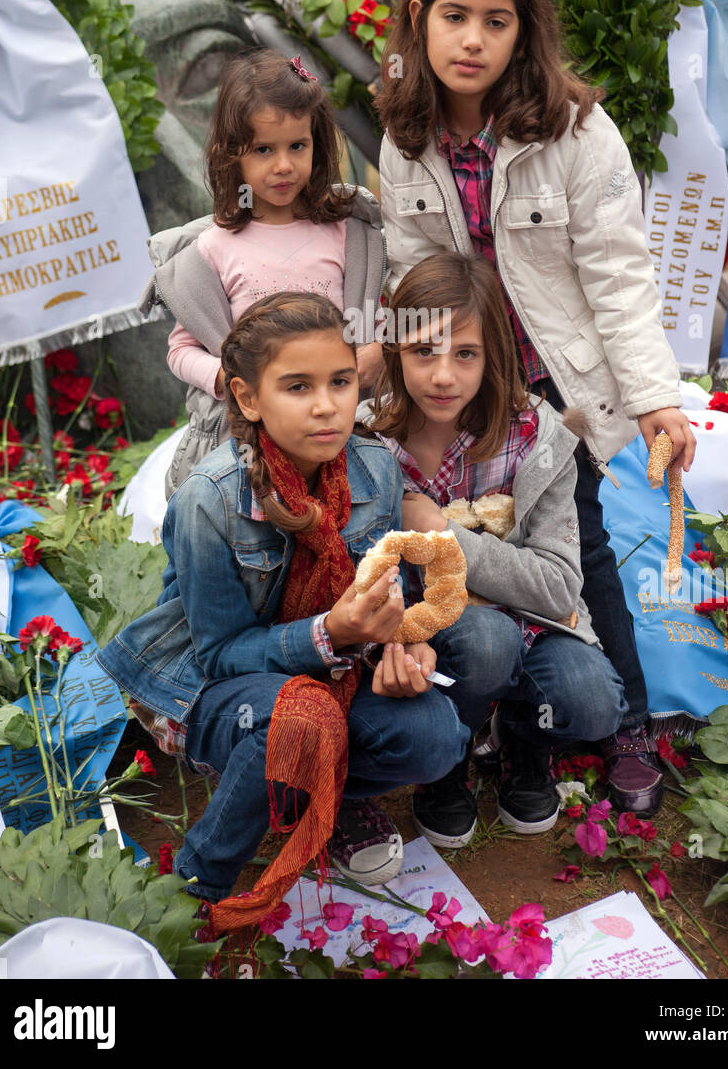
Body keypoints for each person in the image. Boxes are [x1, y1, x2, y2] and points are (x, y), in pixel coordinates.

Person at [375, 0, 697, 815]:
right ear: (419, 20)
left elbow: (620, 274)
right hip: (456, 372)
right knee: (451, 544)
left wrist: (655, 399)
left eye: (496, 19)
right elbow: (408, 268)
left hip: (554, 381)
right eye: (453, 15)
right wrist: (410, 381)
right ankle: (458, 729)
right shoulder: (405, 134)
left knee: (578, 551)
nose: (472, 38)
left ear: (524, 33)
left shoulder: (579, 132)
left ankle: (619, 721)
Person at [96, 292, 523, 916]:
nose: (327, 406)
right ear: (247, 399)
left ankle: (323, 794)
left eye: (342, 382)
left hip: (338, 669)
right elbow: (219, 654)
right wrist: (331, 631)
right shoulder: (209, 501)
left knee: (435, 735)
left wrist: (402, 642)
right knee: (304, 719)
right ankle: (198, 881)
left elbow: (383, 589)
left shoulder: (374, 470)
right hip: (221, 687)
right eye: (297, 387)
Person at [361, 253, 627, 847]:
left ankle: (522, 742)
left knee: (591, 702)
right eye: (423, 351)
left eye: (465, 354)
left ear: (493, 356)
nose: (442, 376)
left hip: (536, 625)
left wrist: (443, 537)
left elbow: (560, 587)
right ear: (394, 350)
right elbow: (364, 573)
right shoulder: (368, 441)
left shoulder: (535, 438)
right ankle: (448, 757)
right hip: (428, 641)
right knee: (484, 640)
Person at [141, 47, 386, 498]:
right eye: (263, 150)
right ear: (233, 156)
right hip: (255, 450)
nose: (283, 165)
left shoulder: (345, 234)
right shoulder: (215, 249)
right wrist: (223, 378)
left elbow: (377, 316)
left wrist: (377, 350)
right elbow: (180, 349)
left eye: (298, 146)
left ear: (317, 143)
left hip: (337, 434)